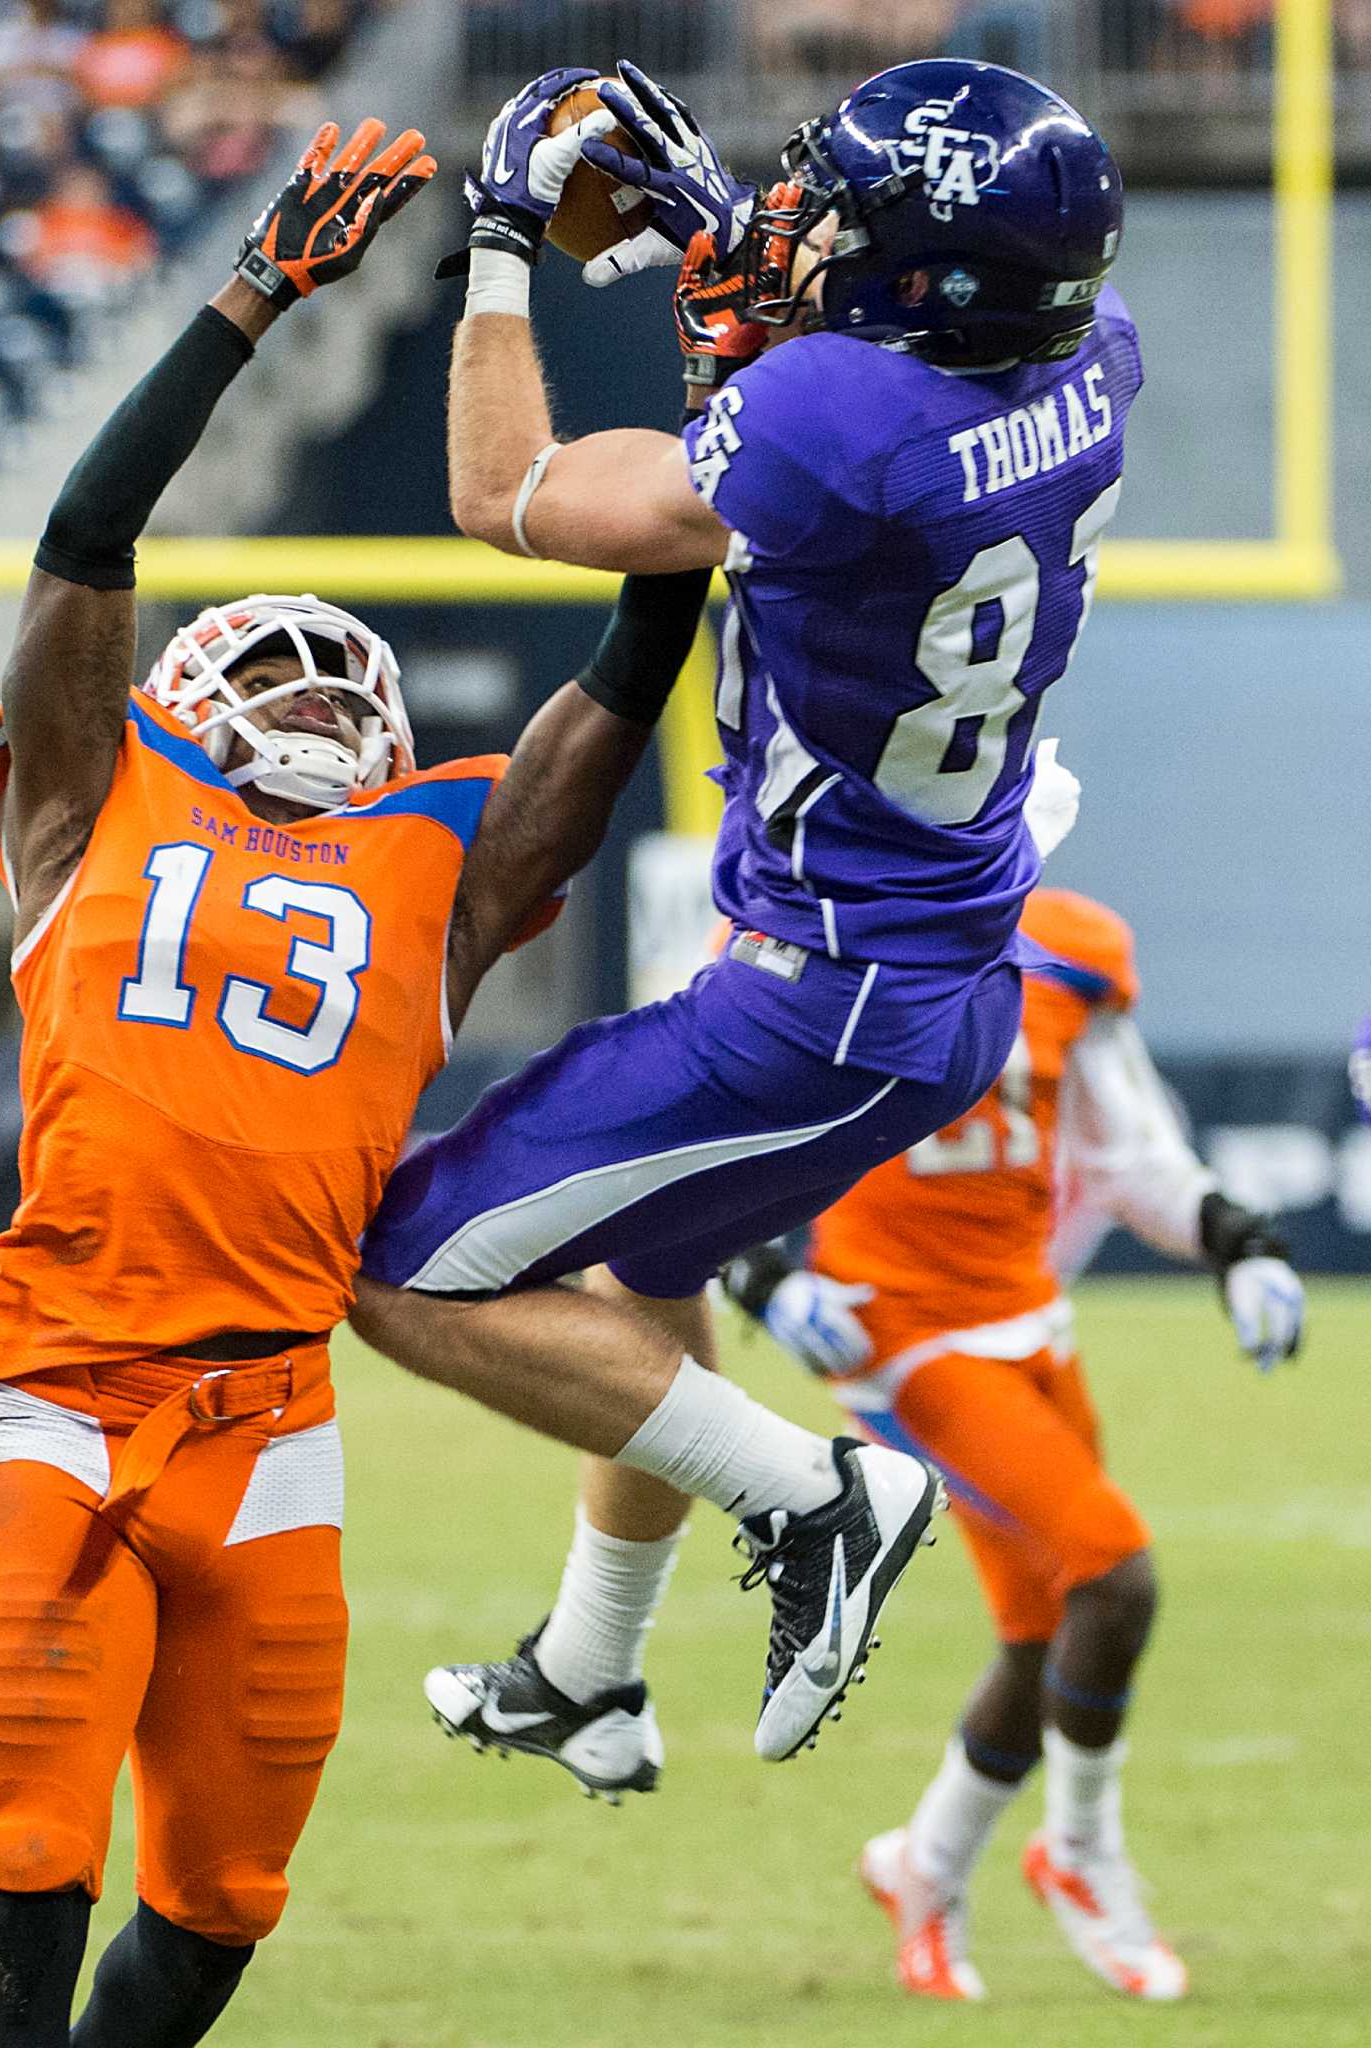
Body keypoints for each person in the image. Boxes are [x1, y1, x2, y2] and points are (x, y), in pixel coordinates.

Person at [0, 111, 922, 2047]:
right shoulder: (84, 809)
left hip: (272, 1430)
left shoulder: (435, 867)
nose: (319, 693)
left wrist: (704, 394)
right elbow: (83, 543)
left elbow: (637, 658)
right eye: (276, 672)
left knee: (215, 1920)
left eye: (340, 673)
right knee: (25, 1900)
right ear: (180, 706)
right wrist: (249, 298)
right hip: (59, 1393)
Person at [348, 57, 1141, 1774]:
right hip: (939, 964)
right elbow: (829, 411)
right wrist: (741, 281)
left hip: (817, 999)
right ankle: (590, 1664)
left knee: (401, 1270)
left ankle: (814, 1493)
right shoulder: (1091, 351)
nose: (800, 225)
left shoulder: (841, 423)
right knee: (644, 1264)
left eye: (839, 218)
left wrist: (495, 239)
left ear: (917, 278)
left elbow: (509, 493)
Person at [717, 887, 1305, 2000]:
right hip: (895, 1333)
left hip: (1029, 1318)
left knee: (1047, 1636)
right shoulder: (815, 913)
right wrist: (763, 1267)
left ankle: (924, 1864)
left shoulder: (1074, 948)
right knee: (1116, 1577)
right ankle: (1081, 1853)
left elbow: (1133, 1153)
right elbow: (718, 1114)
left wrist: (1237, 1239)